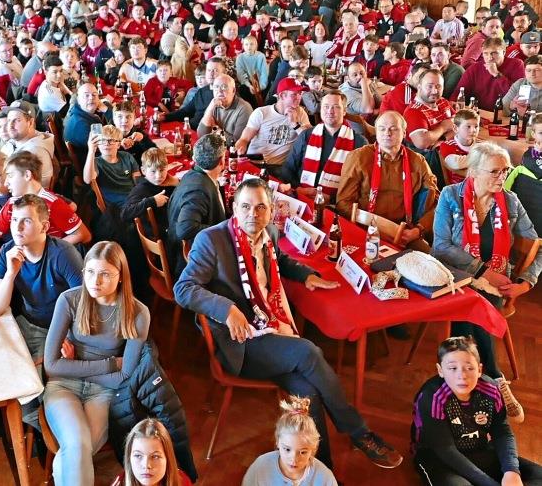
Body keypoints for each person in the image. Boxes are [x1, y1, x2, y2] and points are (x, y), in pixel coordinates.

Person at [173, 178, 402, 470]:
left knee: (309, 393)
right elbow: (184, 289)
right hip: (241, 343)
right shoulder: (213, 240)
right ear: (233, 207)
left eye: (260, 208)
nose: (251, 215)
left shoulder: (269, 232)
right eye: (244, 207)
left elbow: (280, 260)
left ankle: (322, 470)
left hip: (271, 327)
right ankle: (359, 433)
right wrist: (227, 309)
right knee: (308, 353)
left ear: (271, 211)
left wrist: (306, 275)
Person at [432, 142, 540, 423]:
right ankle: (493, 376)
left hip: (495, 282)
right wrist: (482, 271)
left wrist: (526, 282)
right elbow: (441, 247)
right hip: (453, 276)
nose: (502, 177)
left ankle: (461, 378)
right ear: (473, 172)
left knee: (475, 305)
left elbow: (538, 245)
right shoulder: (451, 196)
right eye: (494, 171)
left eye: (505, 170)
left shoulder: (510, 201)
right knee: (470, 303)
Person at [43, 241, 151, 486]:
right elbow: (51, 365)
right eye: (90, 272)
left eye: (105, 274)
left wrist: (73, 365)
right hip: (63, 386)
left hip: (103, 392)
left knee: (72, 454)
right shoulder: (69, 300)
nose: (95, 281)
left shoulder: (137, 313)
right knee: (77, 444)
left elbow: (125, 376)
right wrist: (110, 364)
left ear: (121, 276)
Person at [0, 194, 83, 420]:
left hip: (60, 330)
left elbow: (85, 305)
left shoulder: (63, 255)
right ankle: (34, 422)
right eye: (14, 220)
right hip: (29, 325)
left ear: (45, 226)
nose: (17, 227)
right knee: (3, 372)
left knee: (33, 384)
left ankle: (45, 428)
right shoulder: (8, 252)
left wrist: (65, 337)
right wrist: (11, 273)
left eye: (27, 221)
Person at [411, 336, 542, 486]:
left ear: (479, 369)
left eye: (469, 368)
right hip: (438, 459)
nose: (462, 375)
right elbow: (445, 449)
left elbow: (502, 431)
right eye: (452, 368)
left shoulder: (491, 390)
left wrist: (511, 470)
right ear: (440, 370)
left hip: (479, 450)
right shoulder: (432, 397)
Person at [336, 111, 438, 249]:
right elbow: (343, 203)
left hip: (405, 232)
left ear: (404, 132)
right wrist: (372, 226)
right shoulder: (359, 158)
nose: (387, 133)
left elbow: (436, 203)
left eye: (393, 129)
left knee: (428, 260)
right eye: (382, 129)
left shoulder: (418, 162)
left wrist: (418, 230)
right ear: (376, 132)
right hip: (364, 228)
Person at [280, 91, 367, 200]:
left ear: (344, 111)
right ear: (320, 110)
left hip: (337, 204)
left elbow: (361, 185)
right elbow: (287, 168)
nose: (330, 111)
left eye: (336, 107)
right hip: (301, 195)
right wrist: (298, 189)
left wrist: (331, 198)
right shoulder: (307, 135)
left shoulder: (359, 143)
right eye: (326, 107)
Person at [242, 396, 338, 486]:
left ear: (313, 449)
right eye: (287, 449)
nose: (294, 459)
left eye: (303, 452)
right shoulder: (260, 467)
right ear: (277, 441)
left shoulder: (325, 478)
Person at [166, 134, 227, 273]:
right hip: (189, 264)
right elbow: (185, 229)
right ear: (221, 162)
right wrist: (223, 228)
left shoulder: (193, 174)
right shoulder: (199, 190)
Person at [235, 78, 311, 167]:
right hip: (256, 163)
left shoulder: (300, 112)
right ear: (282, 95)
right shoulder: (261, 113)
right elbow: (244, 139)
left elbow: (311, 139)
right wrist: (239, 153)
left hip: (280, 168)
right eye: (294, 94)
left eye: (300, 93)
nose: (299, 97)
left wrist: (295, 124)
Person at [111, 418, 193, 486]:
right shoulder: (120, 484)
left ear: (168, 458)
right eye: (138, 456)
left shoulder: (182, 481)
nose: (146, 465)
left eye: (155, 456)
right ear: (129, 458)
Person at [452, 38, 525, 109]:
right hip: (479, 112)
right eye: (486, 53)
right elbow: (459, 92)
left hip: (505, 113)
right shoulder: (475, 68)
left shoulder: (517, 64)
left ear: (504, 52)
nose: (490, 58)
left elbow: (517, 95)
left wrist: (496, 74)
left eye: (494, 53)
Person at [85, 125, 140, 208]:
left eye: (111, 140)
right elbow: (88, 180)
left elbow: (137, 180)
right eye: (102, 140)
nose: (107, 144)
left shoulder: (127, 157)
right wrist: (91, 151)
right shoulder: (96, 162)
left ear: (118, 145)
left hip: (133, 197)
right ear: (98, 144)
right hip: (116, 205)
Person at [2, 103, 55, 187]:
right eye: (9, 120)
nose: (10, 125)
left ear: (30, 122)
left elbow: (23, 189)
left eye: (17, 120)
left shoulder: (33, 152)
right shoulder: (21, 139)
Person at [404, 70, 456, 151]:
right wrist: (444, 127)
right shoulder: (413, 111)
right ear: (419, 87)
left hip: (452, 149)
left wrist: (442, 140)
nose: (434, 91)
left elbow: (459, 125)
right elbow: (422, 143)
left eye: (438, 86)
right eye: (429, 86)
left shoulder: (443, 101)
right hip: (431, 160)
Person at [64, 83, 108, 161]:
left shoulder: (80, 112)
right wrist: (107, 111)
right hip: (93, 163)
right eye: (86, 95)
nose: (91, 98)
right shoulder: (80, 124)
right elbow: (105, 147)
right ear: (78, 100)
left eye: (94, 95)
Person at [439, 109, 480, 185]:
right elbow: (455, 163)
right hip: (457, 188)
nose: (473, 130)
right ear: (455, 128)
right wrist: (479, 157)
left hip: (477, 186)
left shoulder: (480, 145)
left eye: (476, 126)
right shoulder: (448, 145)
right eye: (468, 126)